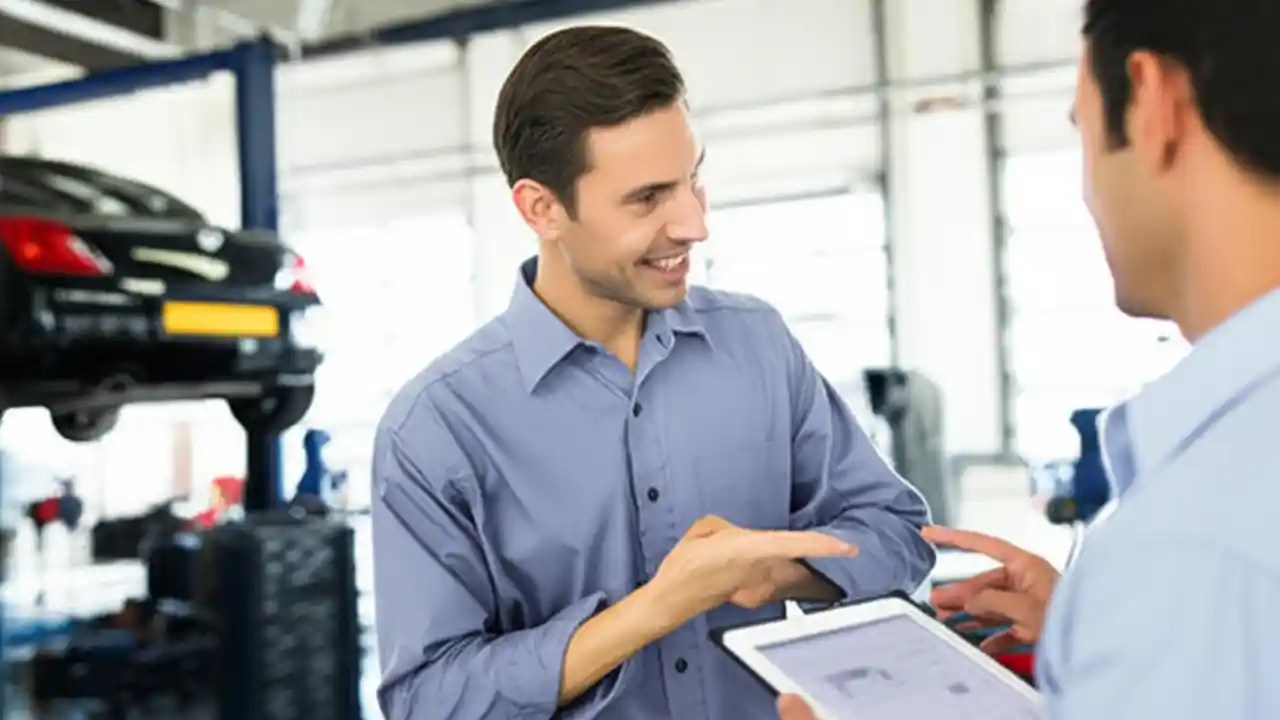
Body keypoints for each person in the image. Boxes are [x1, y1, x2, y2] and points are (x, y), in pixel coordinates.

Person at [371, 24, 935, 720]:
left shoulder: (758, 346)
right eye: (648, 199)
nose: (694, 223)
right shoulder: (438, 428)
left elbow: (898, 532)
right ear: (540, 208)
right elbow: (427, 701)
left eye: (693, 180)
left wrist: (781, 572)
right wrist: (656, 608)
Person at [780, 0, 1280, 717]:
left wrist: (1146, 613)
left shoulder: (1194, 554)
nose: (1086, 190)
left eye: (1081, 133)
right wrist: (1098, 635)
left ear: (1152, 102)